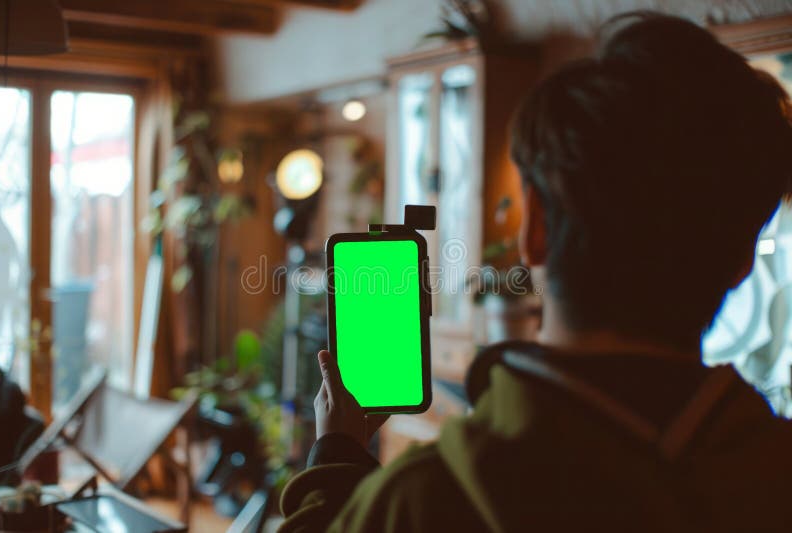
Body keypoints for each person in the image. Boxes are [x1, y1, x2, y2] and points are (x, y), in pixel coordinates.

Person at [279, 12, 792, 532]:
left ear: (537, 230)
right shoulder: (773, 479)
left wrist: (337, 457)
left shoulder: (422, 502)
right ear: (742, 261)